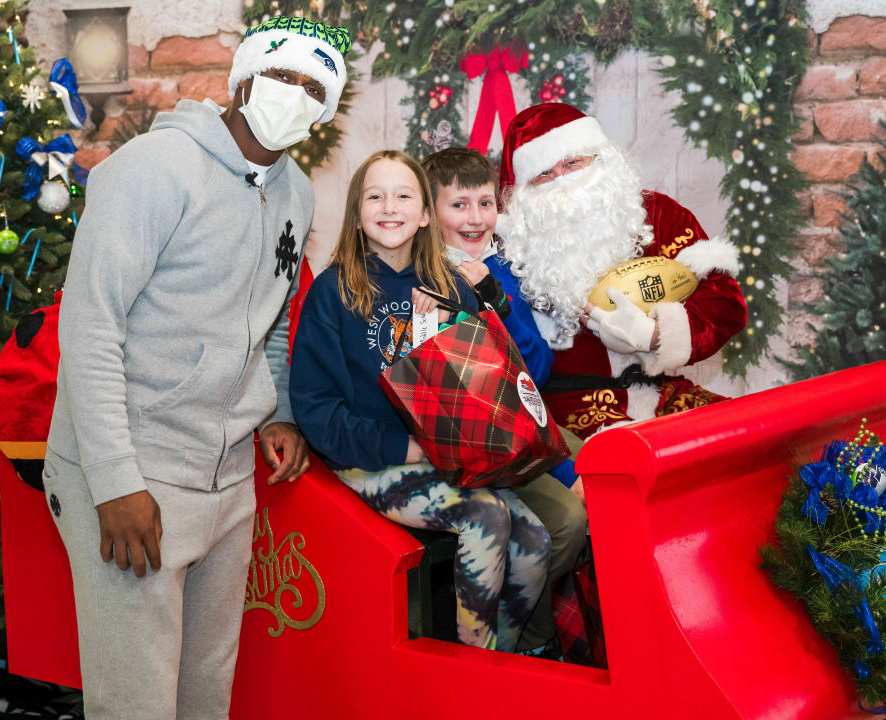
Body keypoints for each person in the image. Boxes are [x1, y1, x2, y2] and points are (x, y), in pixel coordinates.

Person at [42, 16, 349, 719]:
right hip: (132, 469)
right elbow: (90, 328)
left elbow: (270, 316)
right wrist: (116, 484)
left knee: (205, 692)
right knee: (136, 704)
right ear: (243, 81)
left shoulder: (296, 194)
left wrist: (278, 414)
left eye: (313, 87)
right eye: (281, 77)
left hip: (227, 480)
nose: (293, 95)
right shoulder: (151, 169)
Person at [289, 150, 551, 652]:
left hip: (446, 457)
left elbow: (493, 380)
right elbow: (315, 408)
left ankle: (514, 664)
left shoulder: (449, 284)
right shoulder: (333, 292)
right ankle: (472, 677)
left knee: (535, 537)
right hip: (370, 460)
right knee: (487, 517)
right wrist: (404, 448)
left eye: (404, 195)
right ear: (357, 212)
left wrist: (445, 324)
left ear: (425, 213)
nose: (390, 206)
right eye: (375, 195)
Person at [497, 103, 748, 499]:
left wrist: (655, 335)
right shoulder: (512, 249)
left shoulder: (656, 215)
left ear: (599, 158)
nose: (562, 181)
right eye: (544, 174)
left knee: (746, 445)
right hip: (568, 406)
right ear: (523, 194)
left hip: (666, 391)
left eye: (573, 163)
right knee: (626, 485)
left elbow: (726, 302)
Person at [421, 147, 586, 659]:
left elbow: (535, 367)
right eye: (459, 205)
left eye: (485, 203)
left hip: (518, 418)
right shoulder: (426, 277)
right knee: (567, 520)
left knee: (604, 478)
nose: (475, 218)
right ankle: (529, 642)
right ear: (430, 212)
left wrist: (494, 293)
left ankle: (551, 627)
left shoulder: (497, 264)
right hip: (469, 439)